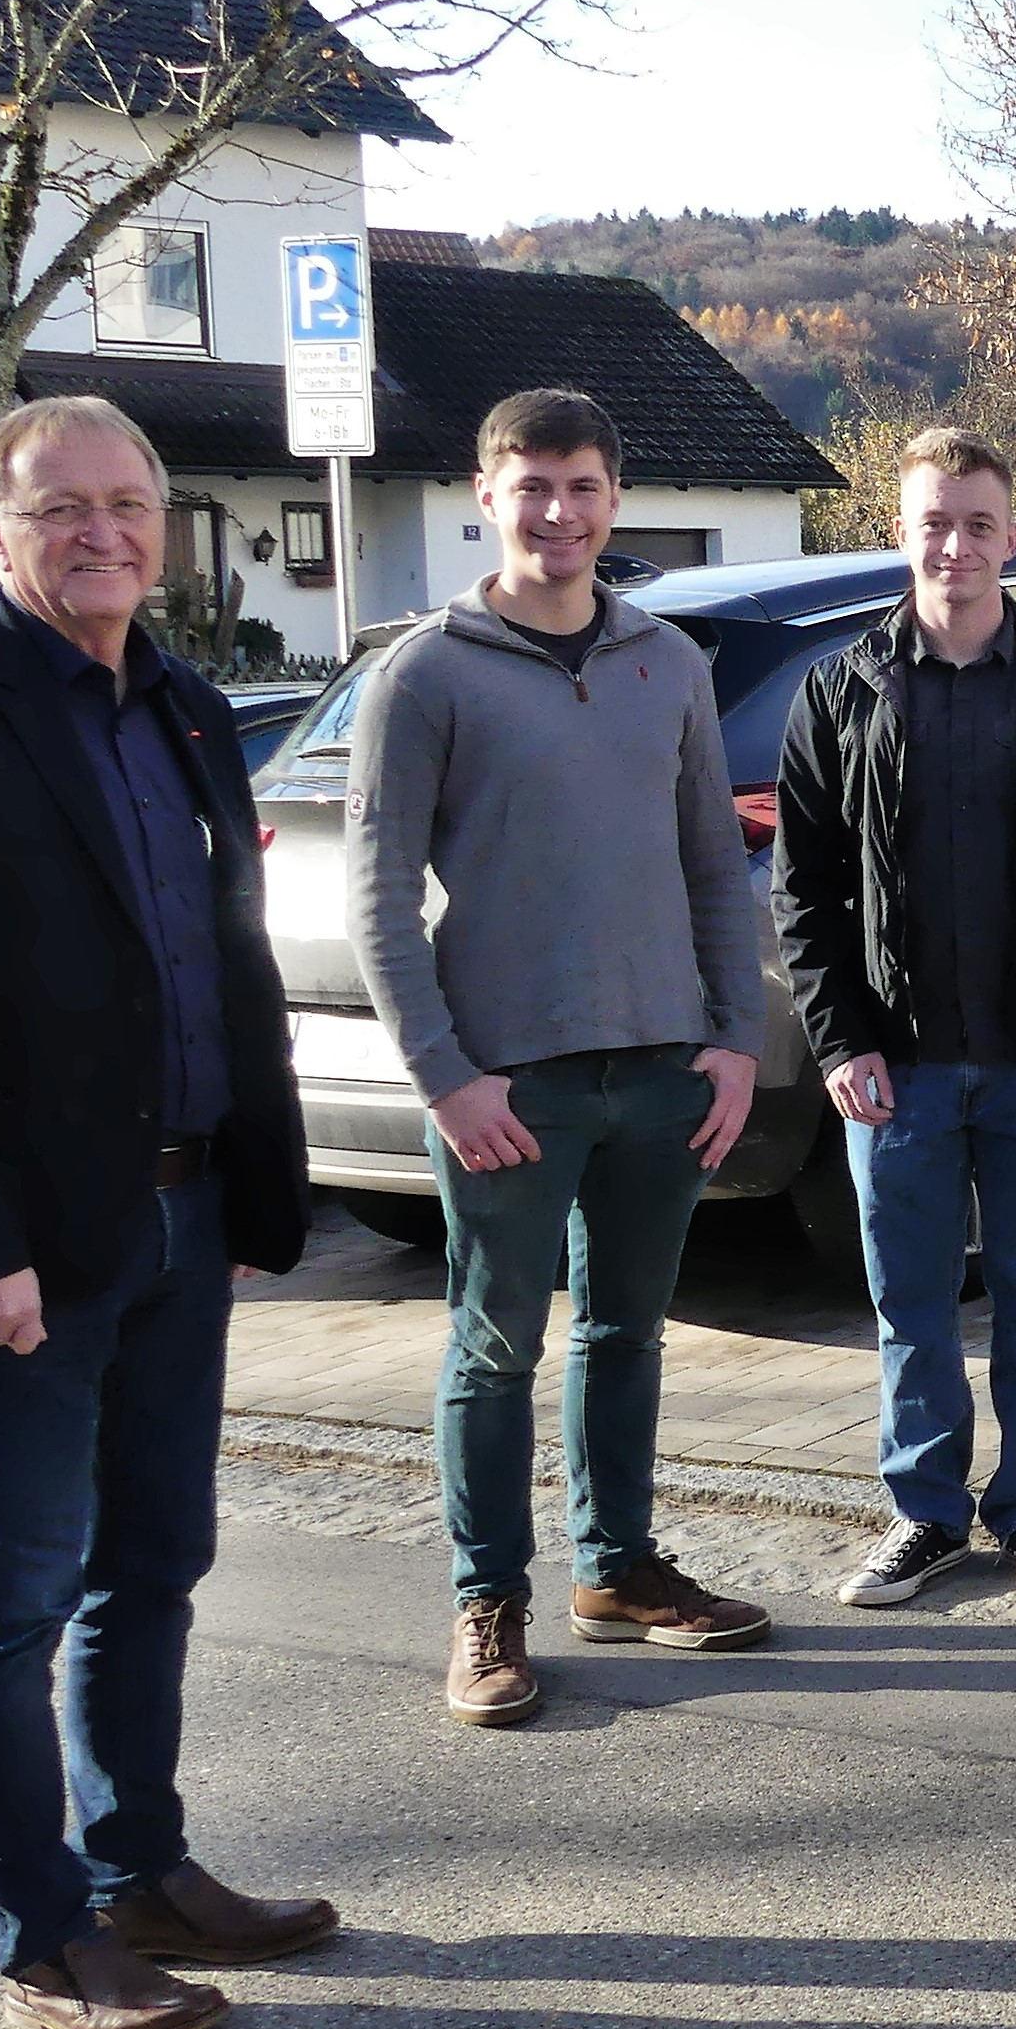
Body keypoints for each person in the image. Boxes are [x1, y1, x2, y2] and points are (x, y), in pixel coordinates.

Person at [0, 396, 333, 2029]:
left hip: (179, 1219)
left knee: (153, 1565)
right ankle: (43, 1933)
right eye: (63, 510)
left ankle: (144, 1864)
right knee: (12, 1592)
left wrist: (254, 1181)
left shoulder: (178, 709)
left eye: (129, 502)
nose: (103, 531)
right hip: (17, 1248)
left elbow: (223, 964)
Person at [351, 388, 773, 1726]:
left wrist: (734, 1041)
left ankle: (620, 1568)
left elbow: (717, 861)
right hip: (507, 1087)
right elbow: (375, 898)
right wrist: (444, 1075)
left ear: (612, 496)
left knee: (626, 1331)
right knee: (493, 1349)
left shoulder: (668, 661)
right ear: (487, 496)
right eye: (532, 488)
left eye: (582, 486)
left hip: (658, 1071)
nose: (559, 512)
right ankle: (489, 1603)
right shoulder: (426, 672)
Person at [774, 428, 1016, 1608]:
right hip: (899, 1070)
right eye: (935, 520)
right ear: (901, 531)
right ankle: (924, 1514)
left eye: (979, 522)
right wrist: (838, 1038)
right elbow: (804, 887)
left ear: (1012, 538)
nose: (956, 544)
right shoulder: (839, 691)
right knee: (912, 1306)